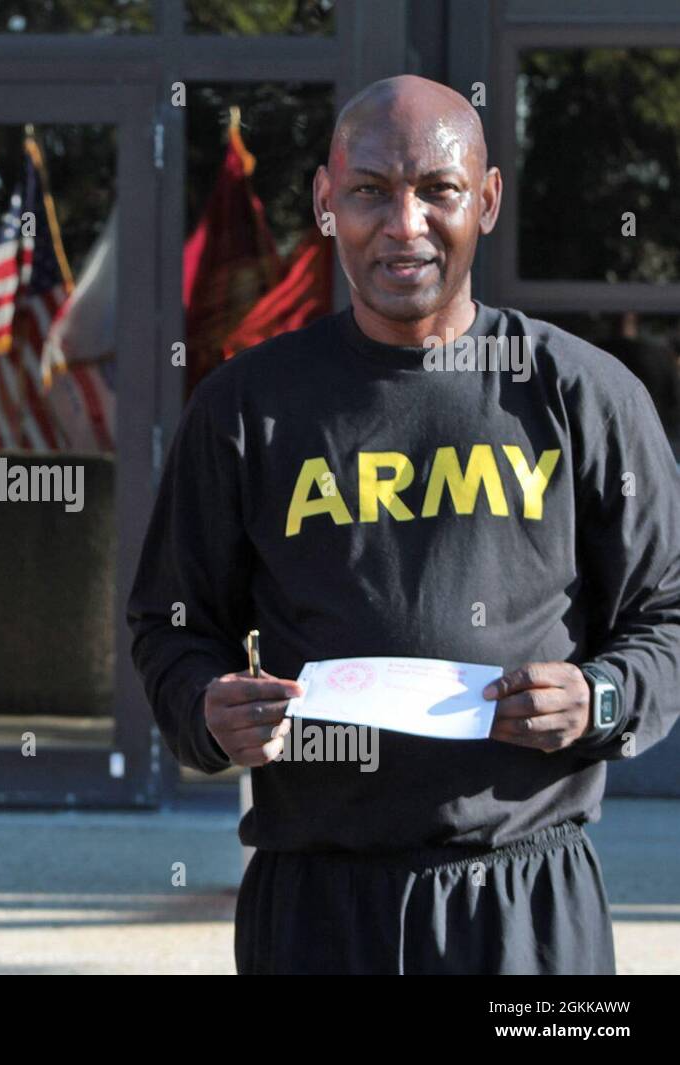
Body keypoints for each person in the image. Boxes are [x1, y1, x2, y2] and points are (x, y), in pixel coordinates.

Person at [128, 74, 680, 975]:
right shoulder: (245, 405)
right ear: (323, 202)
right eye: (371, 191)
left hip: (529, 900)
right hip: (314, 904)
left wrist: (600, 697)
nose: (405, 223)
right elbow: (170, 624)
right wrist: (205, 709)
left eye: (438, 190)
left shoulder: (584, 395)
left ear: (488, 199)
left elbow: (669, 613)